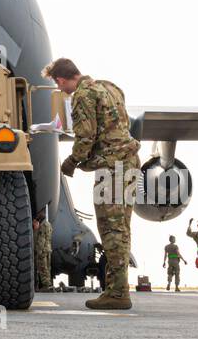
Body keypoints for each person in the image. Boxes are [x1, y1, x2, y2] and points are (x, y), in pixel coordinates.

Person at [45, 57, 140, 310]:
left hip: (110, 168)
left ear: (61, 79)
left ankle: (117, 293)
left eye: (58, 84)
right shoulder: (110, 87)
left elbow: (86, 136)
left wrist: (71, 162)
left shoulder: (81, 95)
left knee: (111, 229)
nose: (60, 89)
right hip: (129, 163)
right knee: (122, 227)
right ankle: (117, 289)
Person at [34, 208, 54, 292]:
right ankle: (48, 284)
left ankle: (46, 285)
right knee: (47, 268)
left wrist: (39, 251)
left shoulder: (43, 225)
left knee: (42, 267)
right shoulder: (48, 224)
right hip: (48, 248)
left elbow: (41, 239)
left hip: (42, 250)